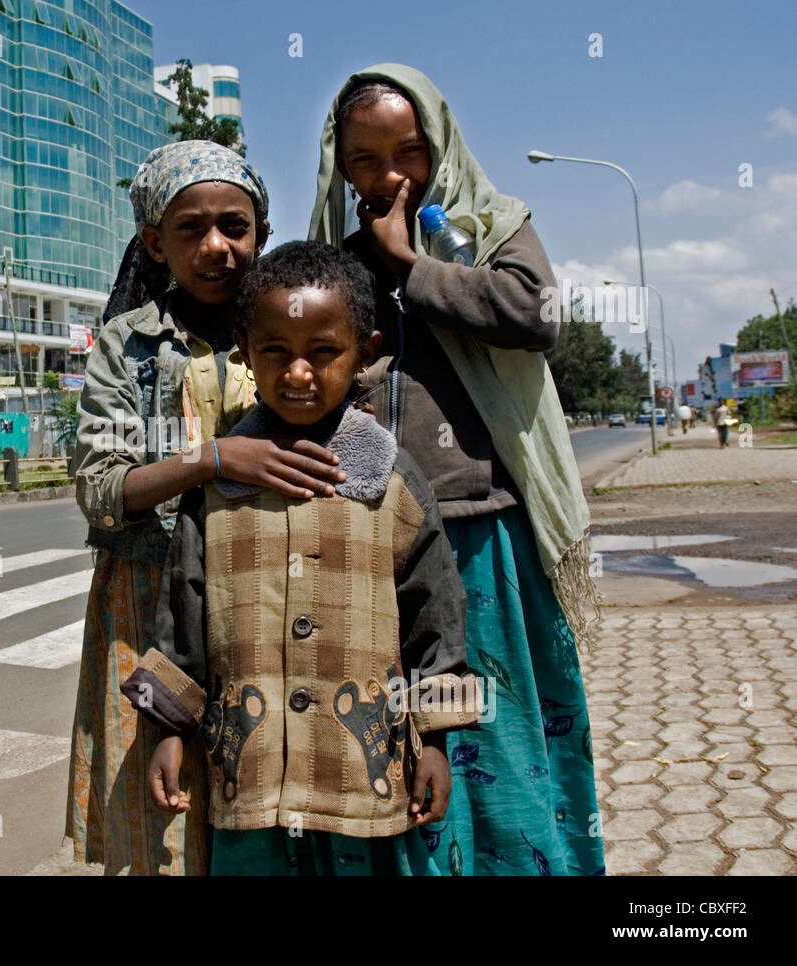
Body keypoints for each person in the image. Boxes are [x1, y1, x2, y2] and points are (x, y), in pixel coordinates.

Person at [308, 64, 604, 876]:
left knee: (497, 743)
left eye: (408, 152)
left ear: (440, 146)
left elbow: (535, 314)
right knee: (390, 747)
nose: (389, 176)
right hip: (373, 544)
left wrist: (411, 268)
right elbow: (314, 380)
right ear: (338, 166)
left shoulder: (492, 225)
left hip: (483, 534)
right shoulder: (333, 262)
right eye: (363, 160)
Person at [121, 242, 480, 875]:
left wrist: (438, 741)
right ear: (246, 354)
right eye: (276, 352)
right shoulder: (217, 486)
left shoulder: (392, 482)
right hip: (247, 778)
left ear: (363, 354)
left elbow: (437, 619)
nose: (298, 374)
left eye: (324, 352)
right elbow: (183, 613)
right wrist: (169, 730)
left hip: (359, 778)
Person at [66, 142, 348, 875]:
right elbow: (101, 491)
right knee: (161, 826)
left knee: (265, 808)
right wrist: (214, 459)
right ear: (155, 241)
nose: (216, 246)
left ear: (261, 229)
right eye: (191, 229)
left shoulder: (294, 329)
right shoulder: (127, 347)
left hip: (271, 604)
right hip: (146, 599)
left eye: (235, 225)